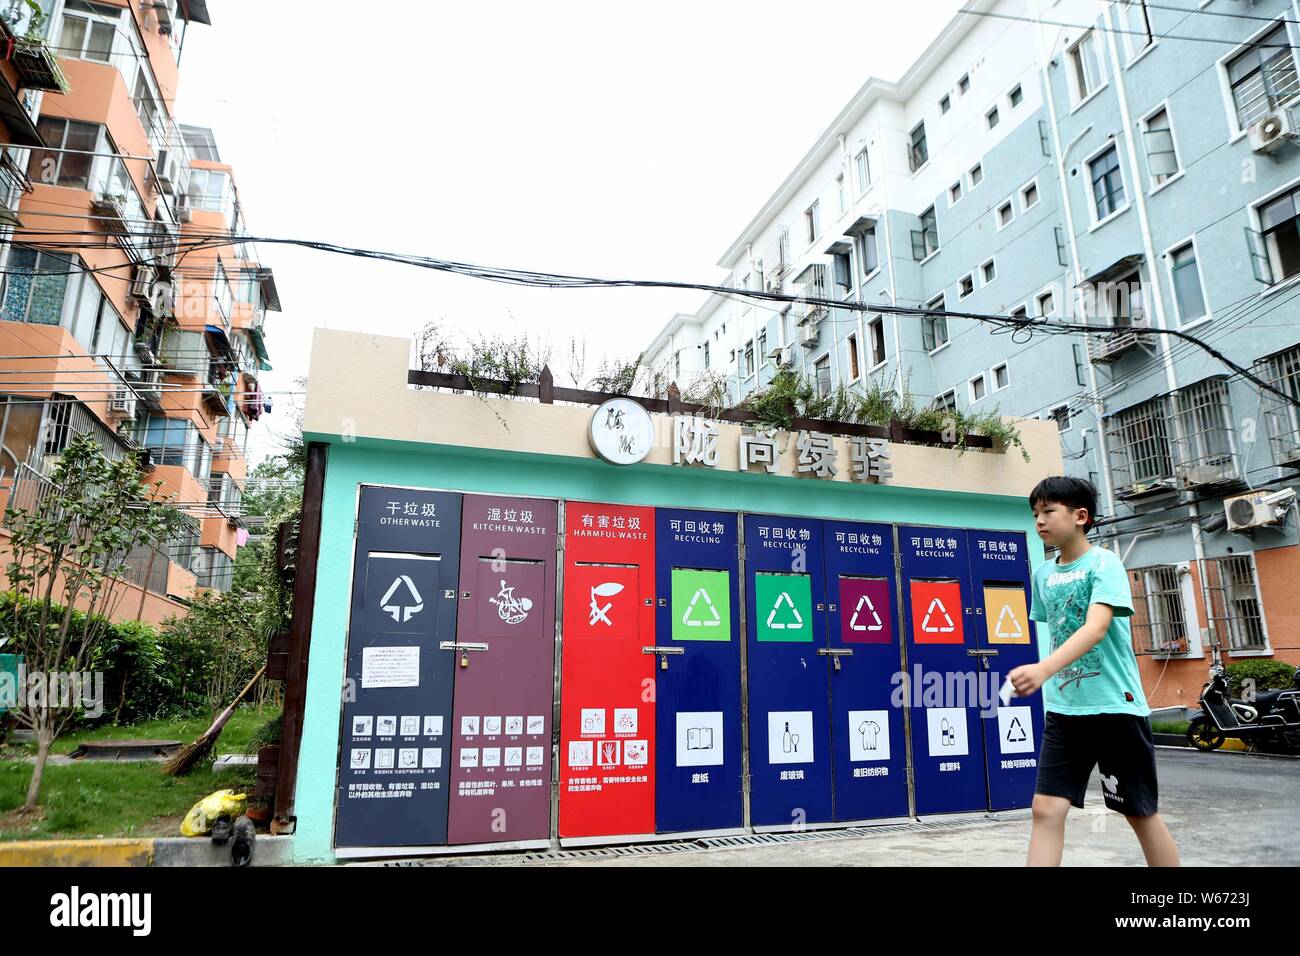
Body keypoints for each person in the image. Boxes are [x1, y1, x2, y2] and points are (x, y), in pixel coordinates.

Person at [1008, 476, 1179, 867]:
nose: (1040, 521)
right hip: (1066, 711)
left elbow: (1095, 627)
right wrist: (1045, 673)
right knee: (1045, 809)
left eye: (1049, 511)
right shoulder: (1042, 575)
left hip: (1115, 707)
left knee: (1138, 811)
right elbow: (1057, 632)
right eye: (1035, 514)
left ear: (1080, 516)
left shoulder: (1105, 563)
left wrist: (1042, 670)